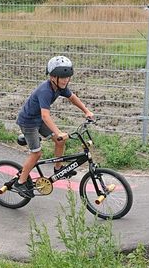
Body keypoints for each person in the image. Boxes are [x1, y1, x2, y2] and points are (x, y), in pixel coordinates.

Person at [12, 55, 94, 197]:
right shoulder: (46, 90)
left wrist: (86, 111)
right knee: (36, 153)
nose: (65, 80)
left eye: (67, 77)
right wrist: (58, 131)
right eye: (62, 77)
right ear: (52, 77)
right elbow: (45, 115)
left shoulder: (60, 86)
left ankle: (58, 169)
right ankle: (20, 182)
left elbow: (73, 98)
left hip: (38, 119)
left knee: (59, 140)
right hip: (29, 122)